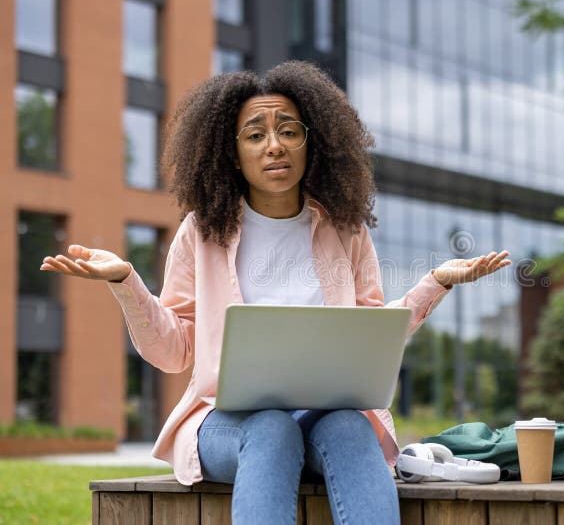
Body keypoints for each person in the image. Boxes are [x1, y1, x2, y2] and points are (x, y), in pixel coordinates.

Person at [40, 61, 511, 524]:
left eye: (288, 130)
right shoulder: (201, 233)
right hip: (227, 424)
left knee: (351, 424)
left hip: (323, 418)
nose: (274, 146)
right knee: (270, 428)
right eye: (255, 135)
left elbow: (373, 335)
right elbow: (173, 351)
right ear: (232, 152)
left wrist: (438, 282)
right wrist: (125, 282)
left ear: (313, 141)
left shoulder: (345, 229)